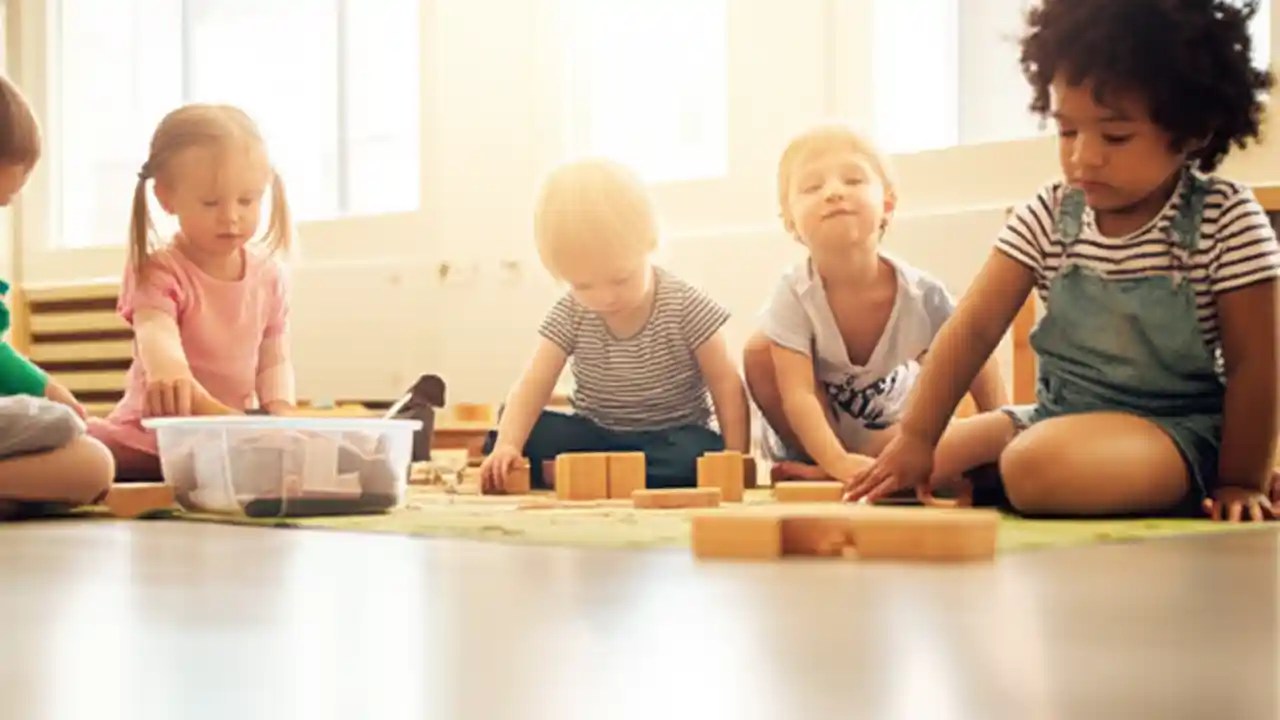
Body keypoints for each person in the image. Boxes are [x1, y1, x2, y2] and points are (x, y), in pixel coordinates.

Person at [847, 0, 1278, 522]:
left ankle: (1010, 479)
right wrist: (917, 436)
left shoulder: (1226, 219)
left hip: (1175, 434)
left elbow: (1256, 364)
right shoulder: (1050, 213)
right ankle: (993, 476)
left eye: (1115, 136)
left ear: (1192, 131)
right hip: (1055, 417)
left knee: (1032, 467)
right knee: (904, 458)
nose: (1083, 157)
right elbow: (974, 328)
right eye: (1068, 131)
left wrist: (1242, 480)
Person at [481, 158, 749, 491]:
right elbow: (533, 384)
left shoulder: (684, 304)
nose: (605, 297)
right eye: (583, 286)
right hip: (596, 435)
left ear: (648, 243)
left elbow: (726, 384)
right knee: (512, 430)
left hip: (669, 436)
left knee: (699, 452)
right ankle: (602, 472)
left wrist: (735, 458)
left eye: (620, 279)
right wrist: (508, 445)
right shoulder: (571, 312)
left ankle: (580, 473)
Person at [89, 104, 297, 479]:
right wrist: (179, 380)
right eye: (211, 203)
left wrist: (281, 414)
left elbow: (274, 359)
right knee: (87, 448)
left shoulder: (269, 276)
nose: (231, 216)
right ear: (166, 198)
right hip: (152, 434)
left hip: (223, 437)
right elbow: (159, 341)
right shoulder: (158, 270)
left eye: (247, 200)